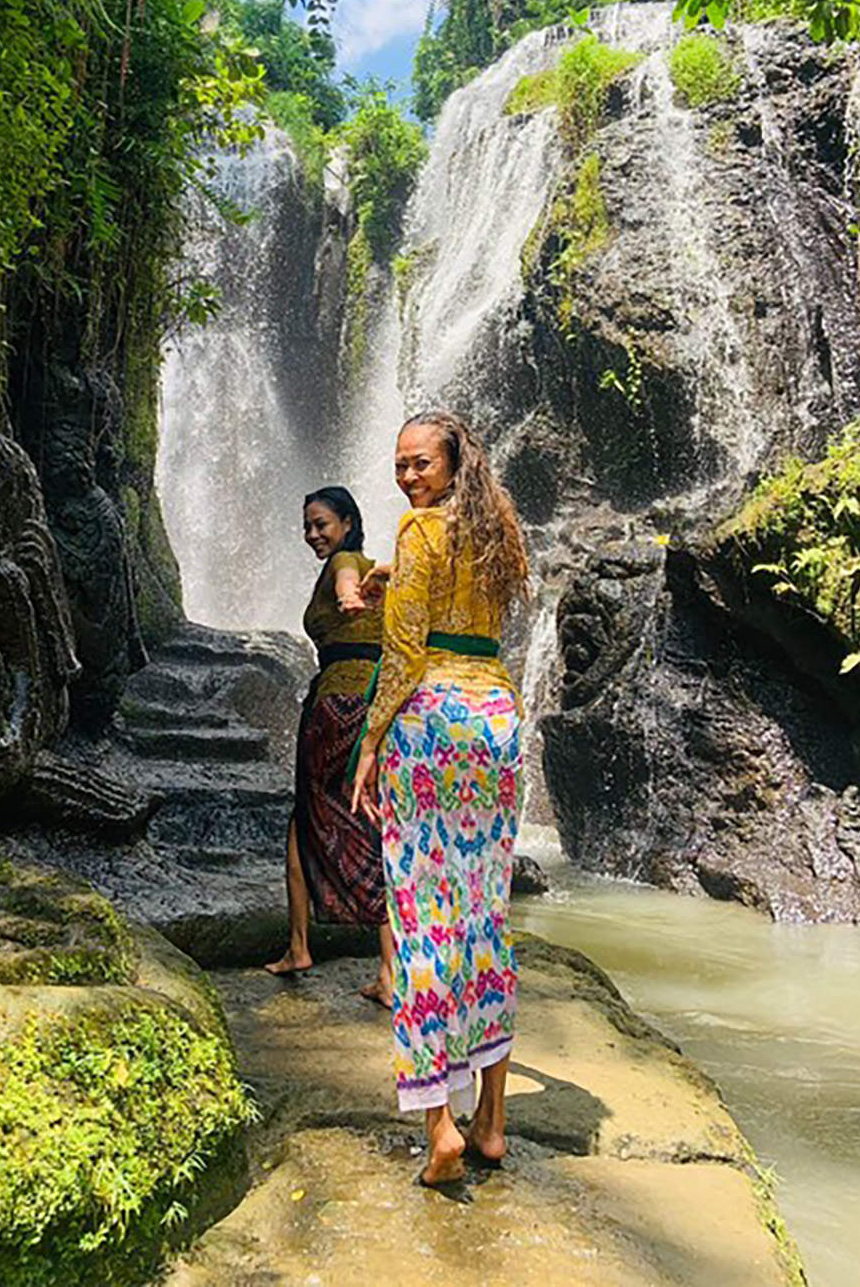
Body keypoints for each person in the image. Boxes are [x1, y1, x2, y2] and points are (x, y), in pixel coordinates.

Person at [351, 410, 529, 1197]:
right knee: (484, 914)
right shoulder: (499, 531)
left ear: (453, 463)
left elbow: (405, 653)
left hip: (430, 726)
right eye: (400, 467)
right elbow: (464, 619)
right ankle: (492, 1120)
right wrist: (397, 582)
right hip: (495, 722)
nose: (407, 478)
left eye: (419, 464)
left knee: (423, 923)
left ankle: (442, 1131)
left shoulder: (419, 531)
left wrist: (367, 747)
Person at [266, 486, 395, 1004]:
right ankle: (303, 946)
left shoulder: (347, 562)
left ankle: (381, 970)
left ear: (346, 523)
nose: (312, 534)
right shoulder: (377, 572)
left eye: (321, 523)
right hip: (365, 705)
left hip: (338, 708)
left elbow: (345, 579)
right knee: (313, 821)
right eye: (307, 526)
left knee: (349, 823)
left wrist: (346, 593)